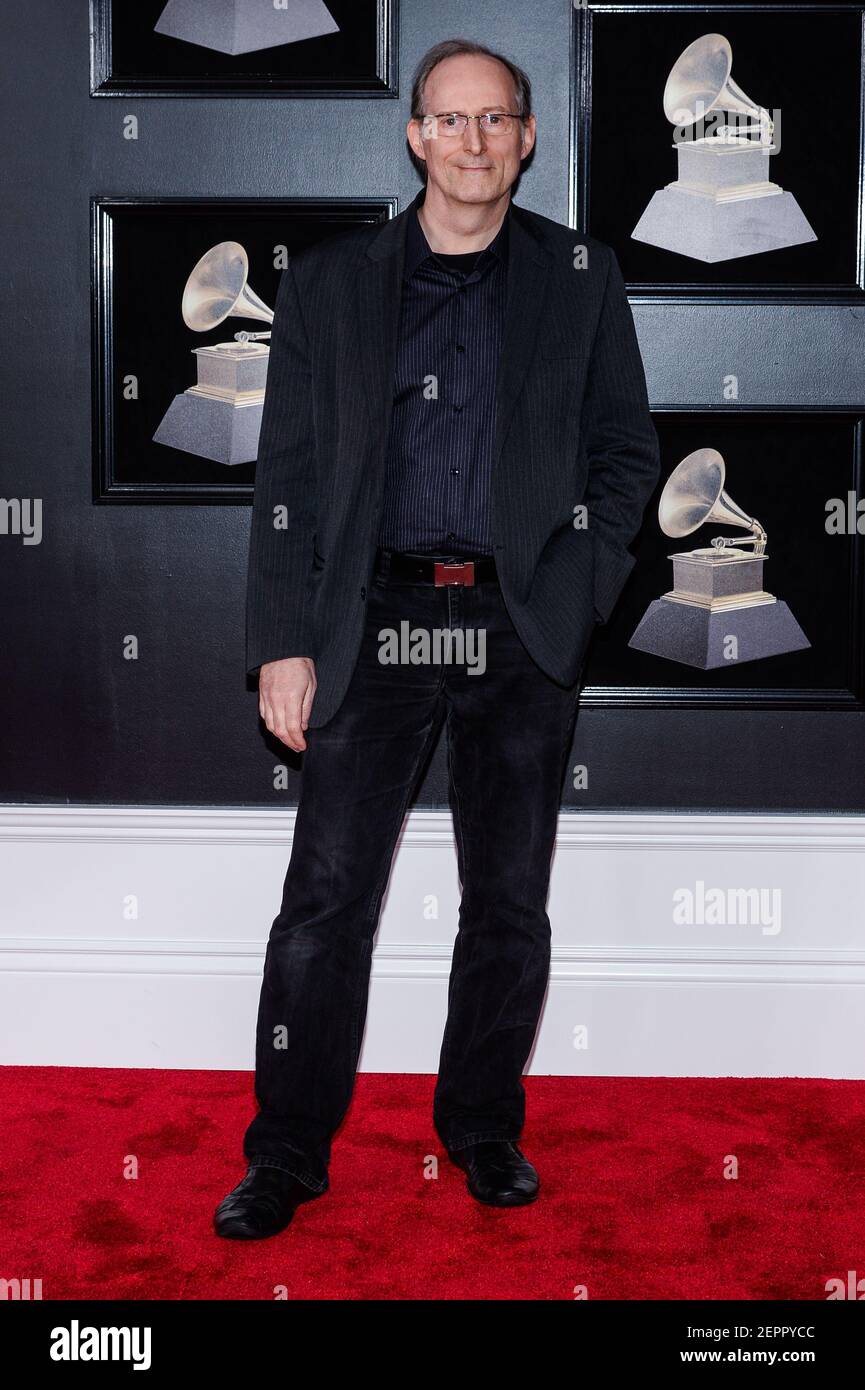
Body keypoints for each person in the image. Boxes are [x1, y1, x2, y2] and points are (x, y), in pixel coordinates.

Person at [215, 37, 660, 1239]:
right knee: (324, 904)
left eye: (495, 120)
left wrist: (578, 584)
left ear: (525, 137)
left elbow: (625, 452)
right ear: (413, 136)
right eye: (448, 121)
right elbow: (289, 479)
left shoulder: (581, 273)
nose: (472, 143)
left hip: (518, 625)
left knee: (507, 901)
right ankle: (287, 1153)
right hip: (374, 619)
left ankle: (481, 1126)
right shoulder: (329, 284)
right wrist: (283, 640)